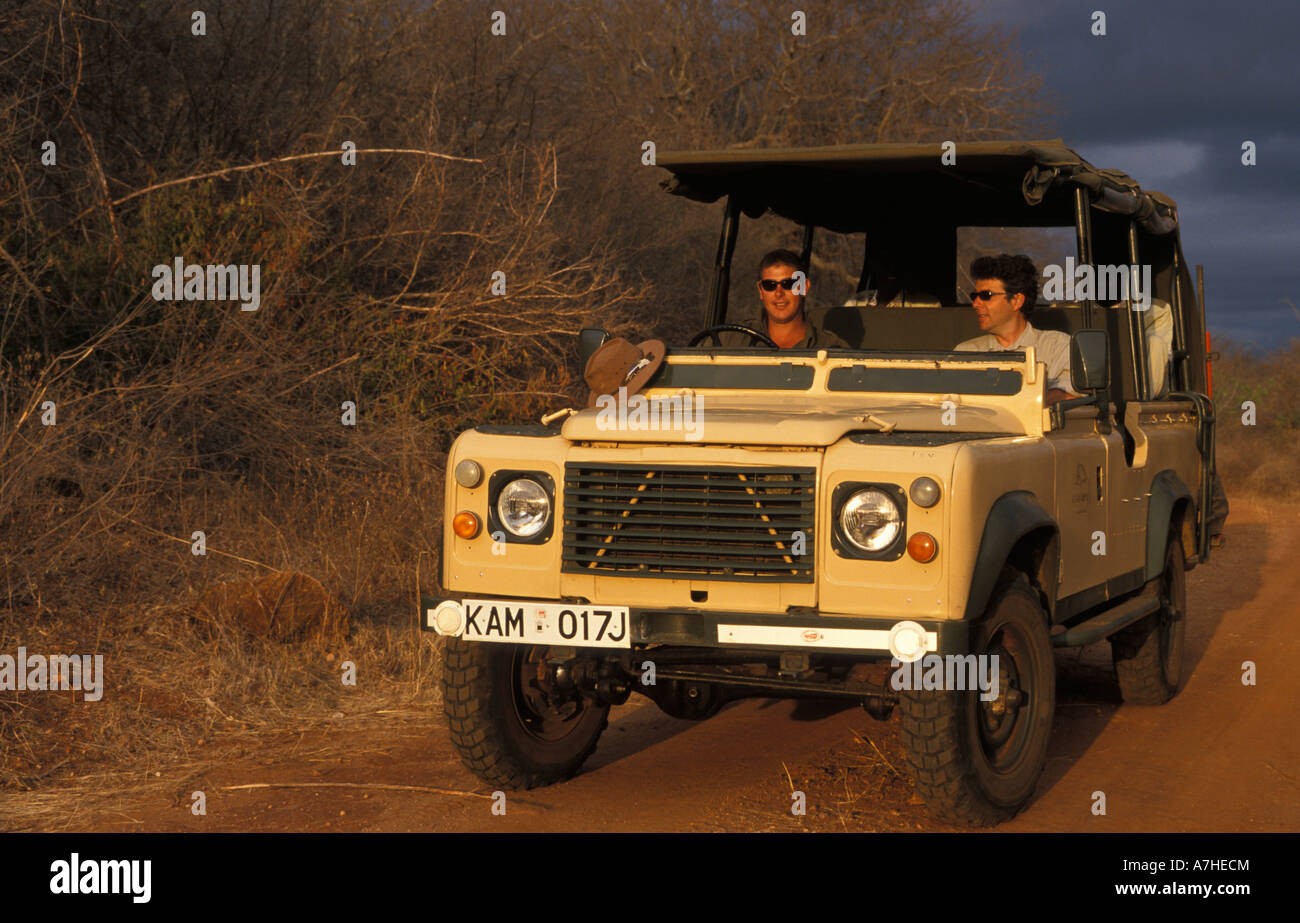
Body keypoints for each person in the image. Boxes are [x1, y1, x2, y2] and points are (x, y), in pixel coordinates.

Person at [955, 253, 1077, 407]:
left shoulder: (1059, 346)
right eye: (975, 296)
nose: (976, 303)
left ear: (1017, 301)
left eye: (986, 295)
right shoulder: (964, 353)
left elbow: (1072, 395)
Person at [717, 249, 852, 349]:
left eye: (788, 284)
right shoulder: (730, 340)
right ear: (760, 290)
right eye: (770, 285)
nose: (778, 293)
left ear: (804, 287)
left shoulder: (832, 349)